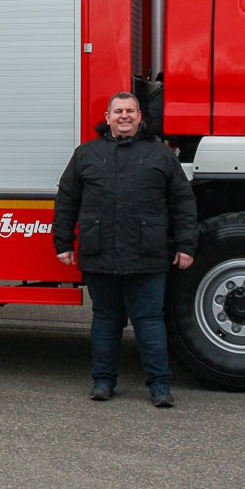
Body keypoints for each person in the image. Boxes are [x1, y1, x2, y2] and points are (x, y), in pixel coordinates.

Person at [53, 92, 198, 407]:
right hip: (99, 254)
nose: (124, 116)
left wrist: (186, 245)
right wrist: (63, 242)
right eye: (118, 111)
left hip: (146, 257)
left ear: (139, 116)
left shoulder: (161, 155)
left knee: (149, 321)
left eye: (130, 111)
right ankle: (103, 382)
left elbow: (183, 203)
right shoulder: (86, 154)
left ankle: (160, 387)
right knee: (105, 320)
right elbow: (67, 199)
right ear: (107, 118)